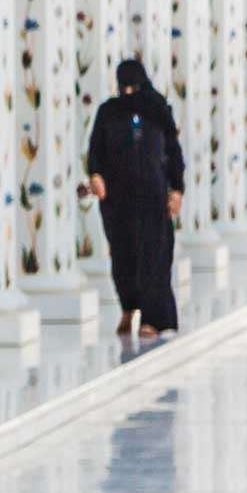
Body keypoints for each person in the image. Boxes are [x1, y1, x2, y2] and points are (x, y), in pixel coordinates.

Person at [87, 57, 185, 339]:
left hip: (153, 198)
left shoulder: (157, 110)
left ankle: (152, 319)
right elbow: (96, 149)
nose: (129, 92)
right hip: (118, 200)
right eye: (124, 86)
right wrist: (96, 175)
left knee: (154, 257)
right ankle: (129, 307)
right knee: (123, 256)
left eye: (133, 86)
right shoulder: (109, 112)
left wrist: (176, 189)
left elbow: (174, 152)